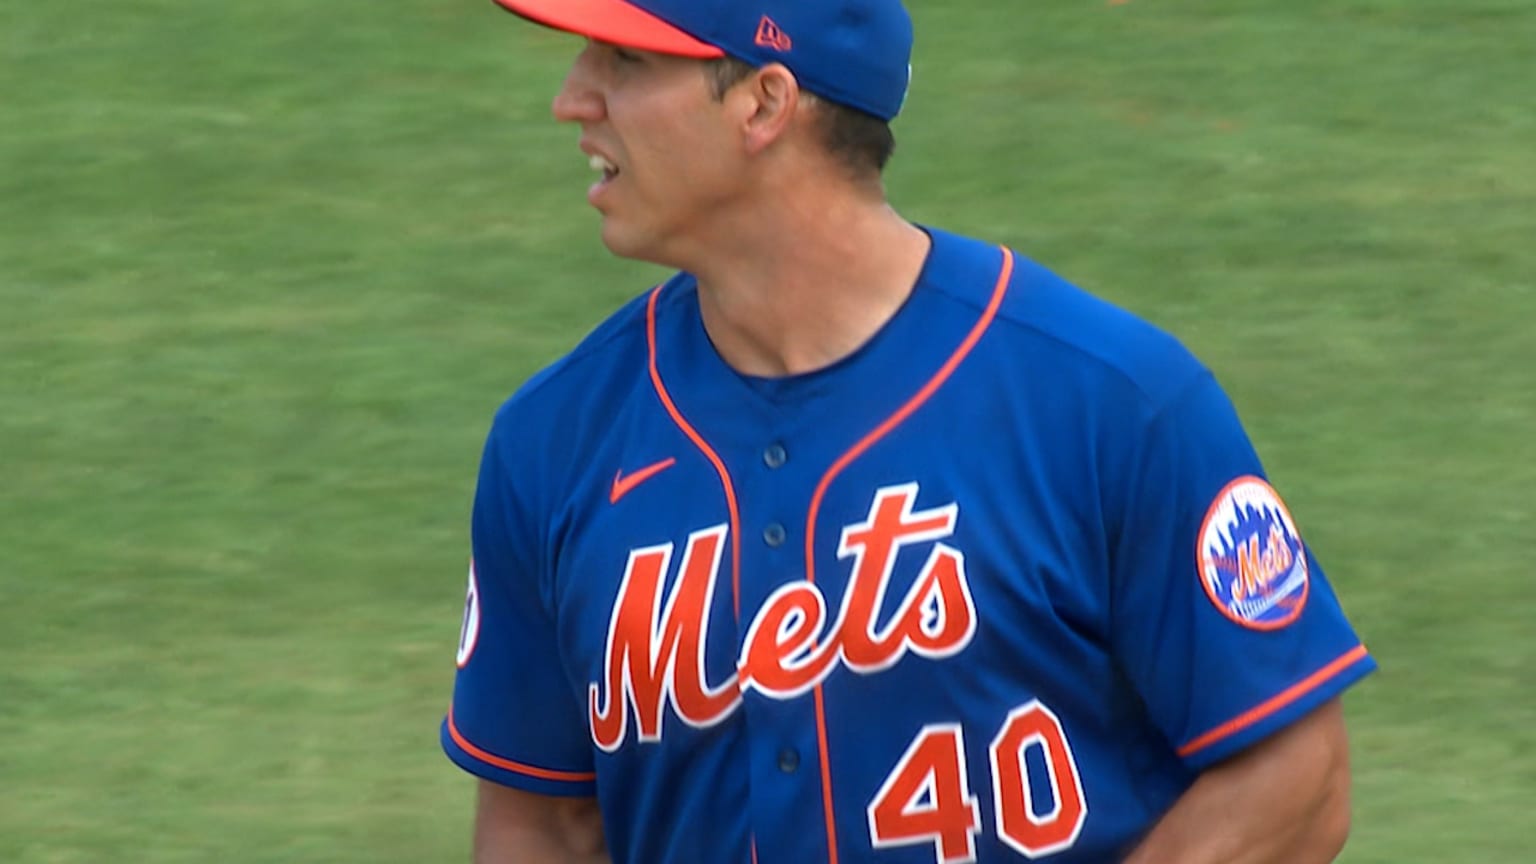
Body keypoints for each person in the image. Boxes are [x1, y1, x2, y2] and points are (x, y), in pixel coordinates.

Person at [440, 0, 1377, 861]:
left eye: (627, 60)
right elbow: (542, 823)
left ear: (765, 103)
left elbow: (1296, 781)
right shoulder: (552, 442)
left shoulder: (1107, 403)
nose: (573, 98)